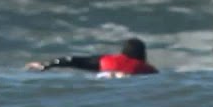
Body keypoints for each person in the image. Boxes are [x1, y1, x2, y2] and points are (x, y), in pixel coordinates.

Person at [25, 37, 159, 75]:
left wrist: (46, 65)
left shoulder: (107, 60)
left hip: (106, 77)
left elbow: (72, 60)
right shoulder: (148, 70)